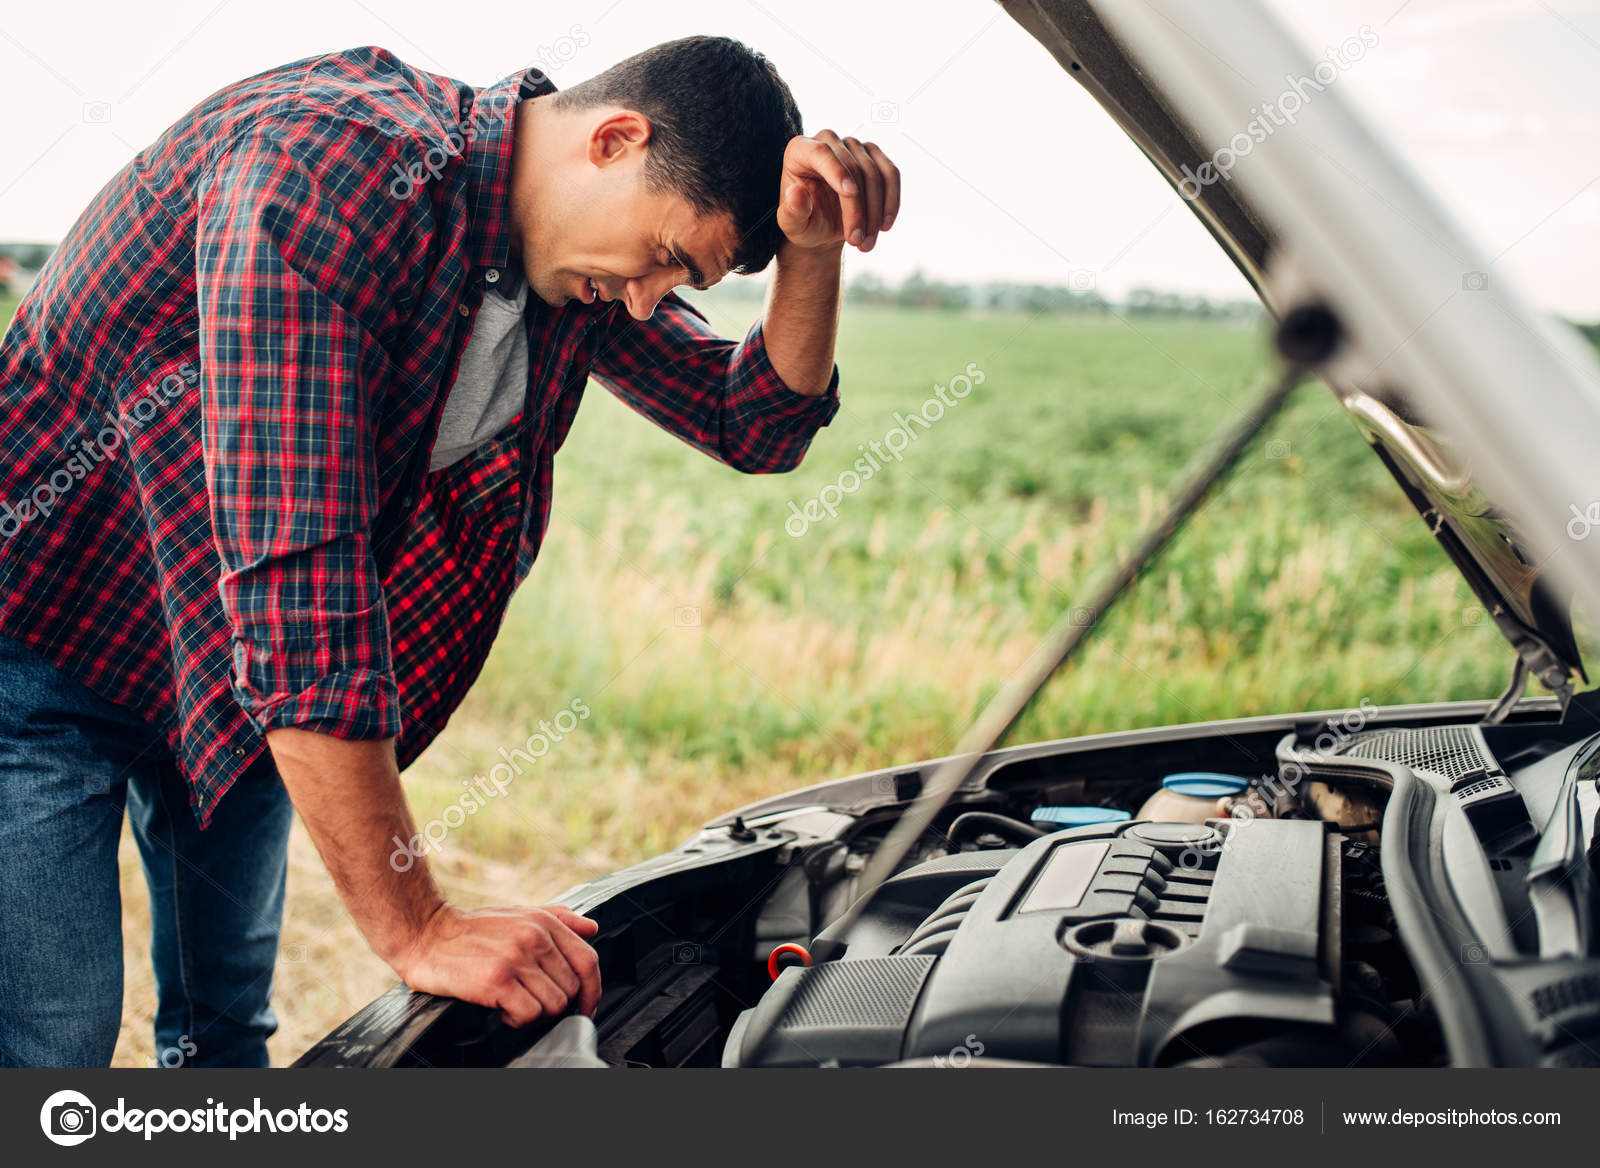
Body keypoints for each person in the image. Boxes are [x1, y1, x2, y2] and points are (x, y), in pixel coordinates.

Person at [0, 34, 900, 1067]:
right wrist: (418, 925)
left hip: (224, 662)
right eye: (664, 258)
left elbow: (756, 421)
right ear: (614, 140)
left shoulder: (570, 259)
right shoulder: (329, 169)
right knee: (48, 1043)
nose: (654, 298)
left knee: (224, 1028)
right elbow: (303, 589)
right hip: (46, 634)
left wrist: (815, 249)